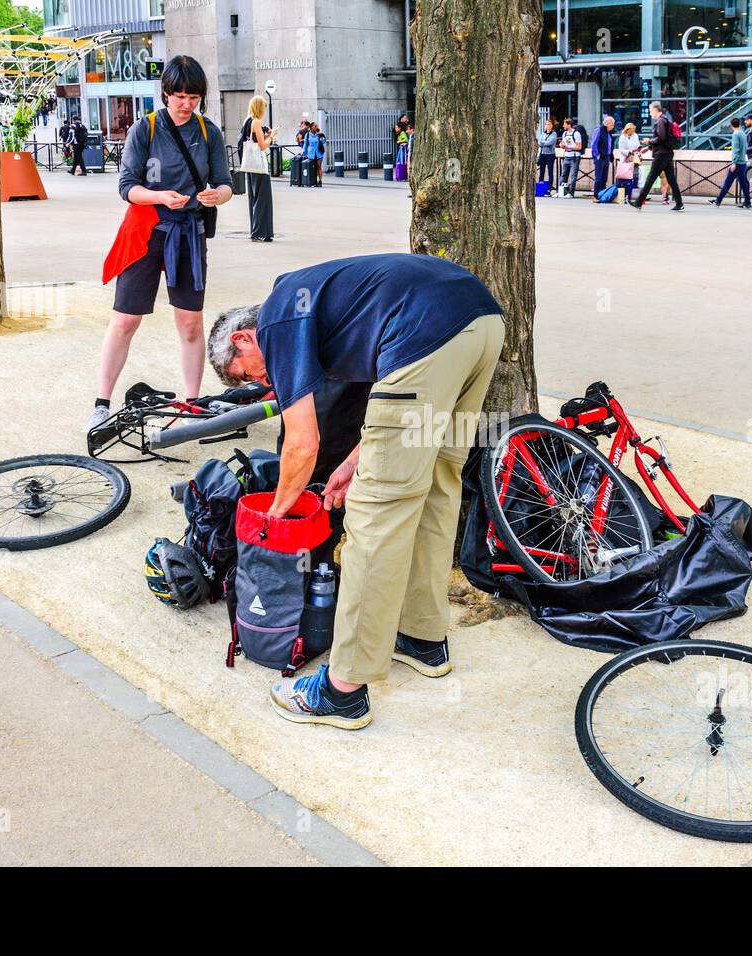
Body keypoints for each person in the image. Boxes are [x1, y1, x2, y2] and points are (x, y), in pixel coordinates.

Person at [209, 253, 506, 730]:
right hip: (481, 322)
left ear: (243, 338)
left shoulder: (279, 319)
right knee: (434, 488)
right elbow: (403, 386)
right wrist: (352, 462)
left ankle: (341, 691)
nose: (262, 383)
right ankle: (421, 636)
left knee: (375, 516)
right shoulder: (316, 307)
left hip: (428, 334)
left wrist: (275, 518)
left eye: (248, 373)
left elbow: (302, 445)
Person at [90, 54, 233, 434]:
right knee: (125, 320)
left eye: (193, 97)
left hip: (189, 231)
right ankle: (101, 403)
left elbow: (225, 182)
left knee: (189, 323)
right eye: (179, 96)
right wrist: (158, 197)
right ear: (166, 93)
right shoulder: (146, 129)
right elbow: (127, 187)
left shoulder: (208, 132)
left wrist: (217, 195)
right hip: (147, 229)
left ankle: (189, 402)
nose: (186, 104)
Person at [629, 101, 683, 210]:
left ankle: (638, 202)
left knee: (650, 178)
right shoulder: (666, 119)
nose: (649, 113)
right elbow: (663, 140)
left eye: (650, 111)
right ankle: (679, 204)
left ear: (655, 109)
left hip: (661, 155)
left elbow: (661, 138)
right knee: (671, 180)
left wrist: (649, 141)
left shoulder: (660, 121)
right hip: (667, 153)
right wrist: (648, 148)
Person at [242, 94, 278, 241]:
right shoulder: (256, 121)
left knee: (254, 198)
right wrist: (272, 136)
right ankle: (259, 232)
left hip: (250, 166)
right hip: (259, 165)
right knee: (263, 199)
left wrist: (265, 134)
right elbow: (263, 146)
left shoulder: (247, 120)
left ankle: (258, 231)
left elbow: (254, 139)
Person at [709, 117, 750, 208]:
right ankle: (748, 203)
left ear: (731, 125)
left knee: (727, 182)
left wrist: (734, 163)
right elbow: (745, 147)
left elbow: (736, 149)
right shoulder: (743, 133)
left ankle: (718, 201)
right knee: (744, 184)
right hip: (743, 162)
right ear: (739, 124)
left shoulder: (735, 134)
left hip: (737, 163)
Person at [613, 121, 642, 202]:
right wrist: (629, 151)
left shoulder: (635, 136)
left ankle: (632, 195)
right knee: (625, 178)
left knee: (635, 176)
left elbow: (637, 144)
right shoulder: (622, 137)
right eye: (631, 130)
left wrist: (638, 148)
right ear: (627, 129)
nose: (633, 132)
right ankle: (625, 195)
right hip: (625, 159)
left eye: (634, 130)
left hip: (634, 159)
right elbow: (621, 149)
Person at [590, 114, 615, 202]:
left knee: (604, 178)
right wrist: (598, 155)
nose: (613, 127)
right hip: (600, 158)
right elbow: (594, 144)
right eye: (612, 125)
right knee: (598, 177)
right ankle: (595, 196)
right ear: (607, 124)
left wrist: (611, 156)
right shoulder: (599, 130)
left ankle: (601, 195)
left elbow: (610, 145)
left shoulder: (608, 133)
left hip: (607, 157)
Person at [558, 118, 582, 197]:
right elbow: (563, 143)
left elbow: (579, 147)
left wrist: (568, 147)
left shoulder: (576, 133)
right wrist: (562, 145)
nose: (563, 126)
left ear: (569, 125)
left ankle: (571, 193)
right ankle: (561, 191)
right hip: (566, 156)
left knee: (573, 176)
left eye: (564, 124)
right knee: (563, 174)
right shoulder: (564, 133)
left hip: (574, 157)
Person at [536, 118, 557, 195]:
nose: (547, 126)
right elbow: (539, 141)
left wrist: (543, 143)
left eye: (549, 124)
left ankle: (549, 188)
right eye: (546, 124)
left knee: (550, 171)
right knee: (541, 170)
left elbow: (550, 143)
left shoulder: (554, 134)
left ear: (552, 126)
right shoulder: (543, 133)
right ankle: (540, 186)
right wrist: (543, 143)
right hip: (543, 154)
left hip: (550, 154)